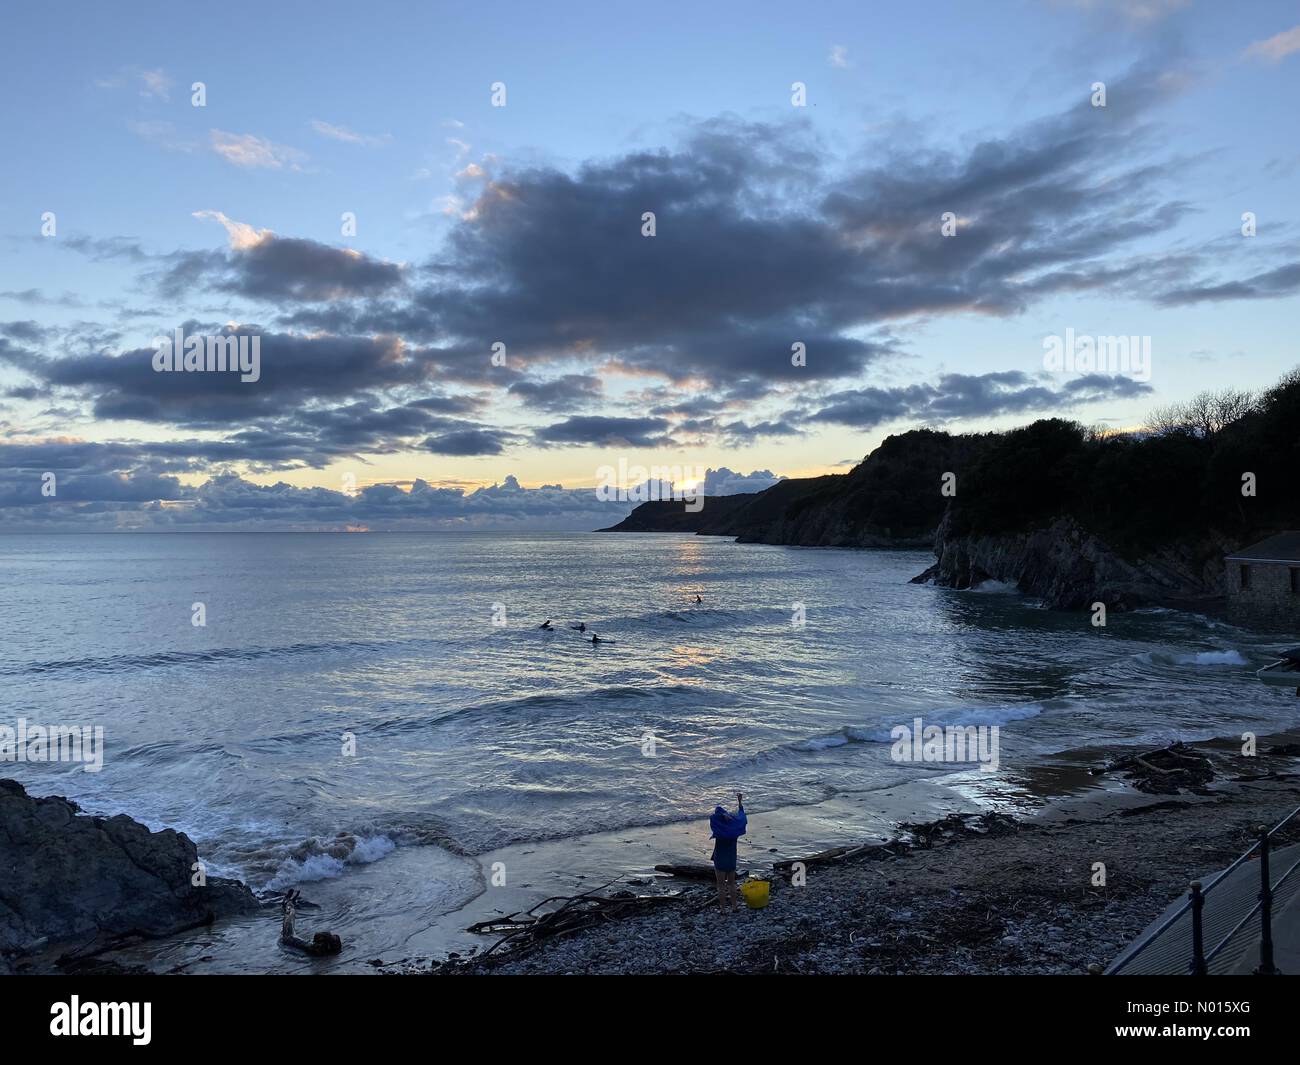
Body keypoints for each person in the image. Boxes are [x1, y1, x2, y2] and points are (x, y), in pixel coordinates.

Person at [709, 793, 746, 912]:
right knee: (731, 884)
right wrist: (740, 802)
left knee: (720, 885)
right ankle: (735, 907)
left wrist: (722, 815)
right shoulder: (735, 828)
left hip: (720, 859)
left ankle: (723, 909)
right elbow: (742, 816)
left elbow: (714, 816)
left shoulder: (719, 829)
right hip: (731, 858)